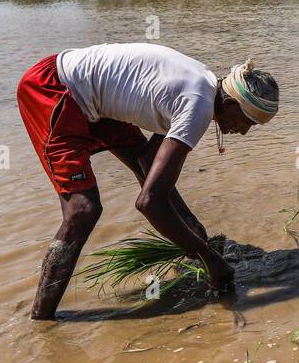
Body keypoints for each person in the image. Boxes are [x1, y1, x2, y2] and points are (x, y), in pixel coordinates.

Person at [16, 43, 279, 319]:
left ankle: (43, 318)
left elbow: (151, 162)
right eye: (247, 122)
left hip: (91, 98)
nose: (244, 132)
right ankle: (42, 320)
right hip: (54, 89)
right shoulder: (197, 107)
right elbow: (150, 202)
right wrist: (209, 260)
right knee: (83, 210)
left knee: (142, 159)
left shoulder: (204, 84)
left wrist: (190, 225)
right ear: (228, 104)